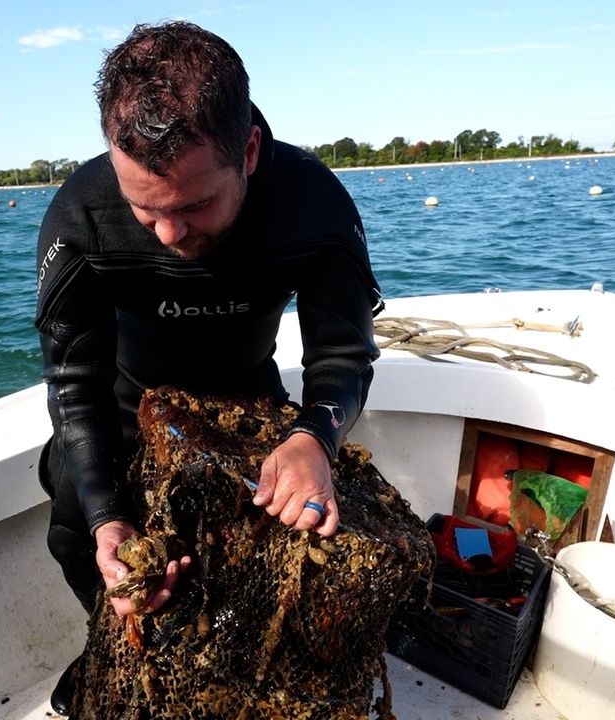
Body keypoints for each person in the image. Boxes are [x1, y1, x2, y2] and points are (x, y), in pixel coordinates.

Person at [33, 20, 382, 715]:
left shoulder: (311, 201)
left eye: (194, 205)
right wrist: (107, 521)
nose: (167, 232)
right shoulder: (82, 216)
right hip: (129, 404)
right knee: (74, 509)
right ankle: (114, 641)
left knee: (299, 533)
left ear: (248, 150)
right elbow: (75, 386)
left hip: (250, 400)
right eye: (144, 208)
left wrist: (314, 438)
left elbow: (344, 352)